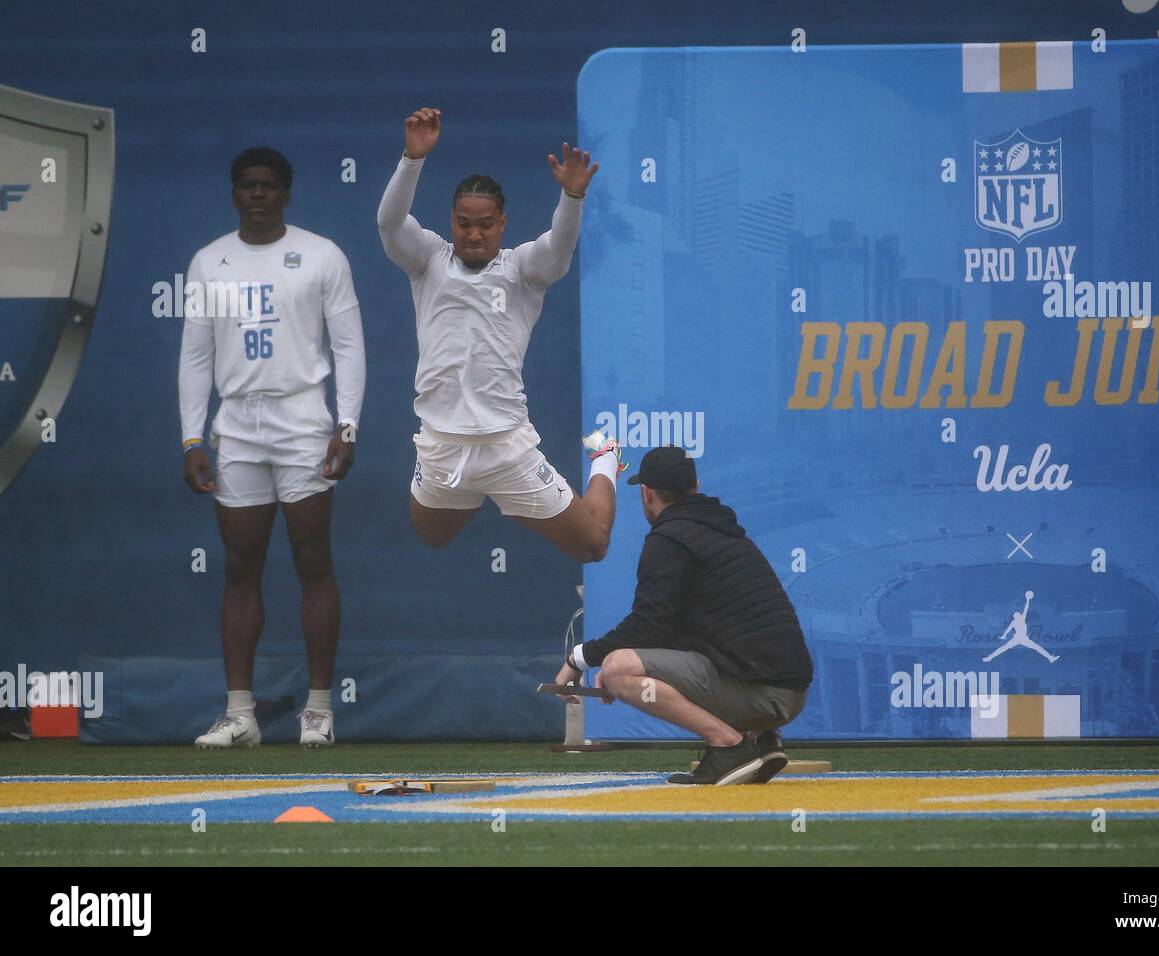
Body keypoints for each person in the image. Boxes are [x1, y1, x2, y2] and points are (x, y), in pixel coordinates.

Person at [179, 146, 366, 748]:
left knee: (312, 558)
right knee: (239, 567)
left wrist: (349, 424)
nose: (257, 195)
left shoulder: (320, 255)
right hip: (235, 424)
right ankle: (240, 714)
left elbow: (350, 348)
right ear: (234, 194)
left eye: (268, 186)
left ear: (286, 192)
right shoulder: (210, 261)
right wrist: (191, 434)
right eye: (247, 186)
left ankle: (317, 709)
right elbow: (196, 355)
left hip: (303, 417)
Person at [377, 107, 624, 562]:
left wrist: (572, 197)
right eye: (463, 223)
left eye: (485, 225)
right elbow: (390, 225)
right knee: (432, 536)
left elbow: (559, 247)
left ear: (503, 224)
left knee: (594, 545)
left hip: (506, 449)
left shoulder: (523, 269)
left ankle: (606, 457)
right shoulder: (428, 260)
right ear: (451, 221)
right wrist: (412, 160)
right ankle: (480, 491)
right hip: (441, 447)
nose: (474, 234)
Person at [553, 447, 815, 785]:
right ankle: (759, 739)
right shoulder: (723, 529)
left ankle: (729, 746)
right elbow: (680, 630)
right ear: (695, 485)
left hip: (763, 696)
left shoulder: (669, 538)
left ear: (646, 494)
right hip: (792, 693)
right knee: (629, 663)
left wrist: (581, 658)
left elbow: (650, 625)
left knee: (618, 670)